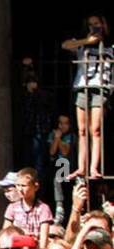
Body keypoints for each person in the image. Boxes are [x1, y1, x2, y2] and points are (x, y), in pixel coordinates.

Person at [62, 14, 113, 179]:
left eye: (97, 24)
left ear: (103, 25)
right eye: (91, 24)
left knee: (95, 130)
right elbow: (65, 45)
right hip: (82, 86)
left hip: (100, 88)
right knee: (82, 130)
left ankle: (94, 168)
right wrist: (87, 41)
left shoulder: (110, 47)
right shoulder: (82, 45)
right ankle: (81, 167)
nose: (94, 27)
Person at [2, 168, 54, 244]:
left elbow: (44, 238)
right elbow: (6, 232)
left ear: (35, 187)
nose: (20, 189)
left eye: (23, 186)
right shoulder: (12, 208)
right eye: (17, 185)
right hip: (18, 246)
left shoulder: (43, 208)